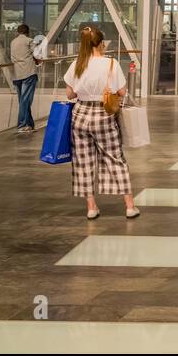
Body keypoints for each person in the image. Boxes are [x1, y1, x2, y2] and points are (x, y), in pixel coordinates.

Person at [63, 26, 137, 220]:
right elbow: (122, 92)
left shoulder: (77, 64)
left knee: (83, 162)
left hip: (80, 115)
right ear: (101, 43)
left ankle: (91, 207)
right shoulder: (110, 64)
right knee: (115, 158)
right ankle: (129, 206)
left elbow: (70, 94)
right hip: (103, 114)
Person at [10, 23, 39, 134]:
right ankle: (22, 125)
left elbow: (12, 58)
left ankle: (29, 124)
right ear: (28, 32)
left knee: (23, 100)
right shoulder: (30, 41)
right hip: (28, 73)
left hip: (17, 74)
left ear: (18, 32)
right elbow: (38, 54)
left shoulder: (13, 42)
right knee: (26, 100)